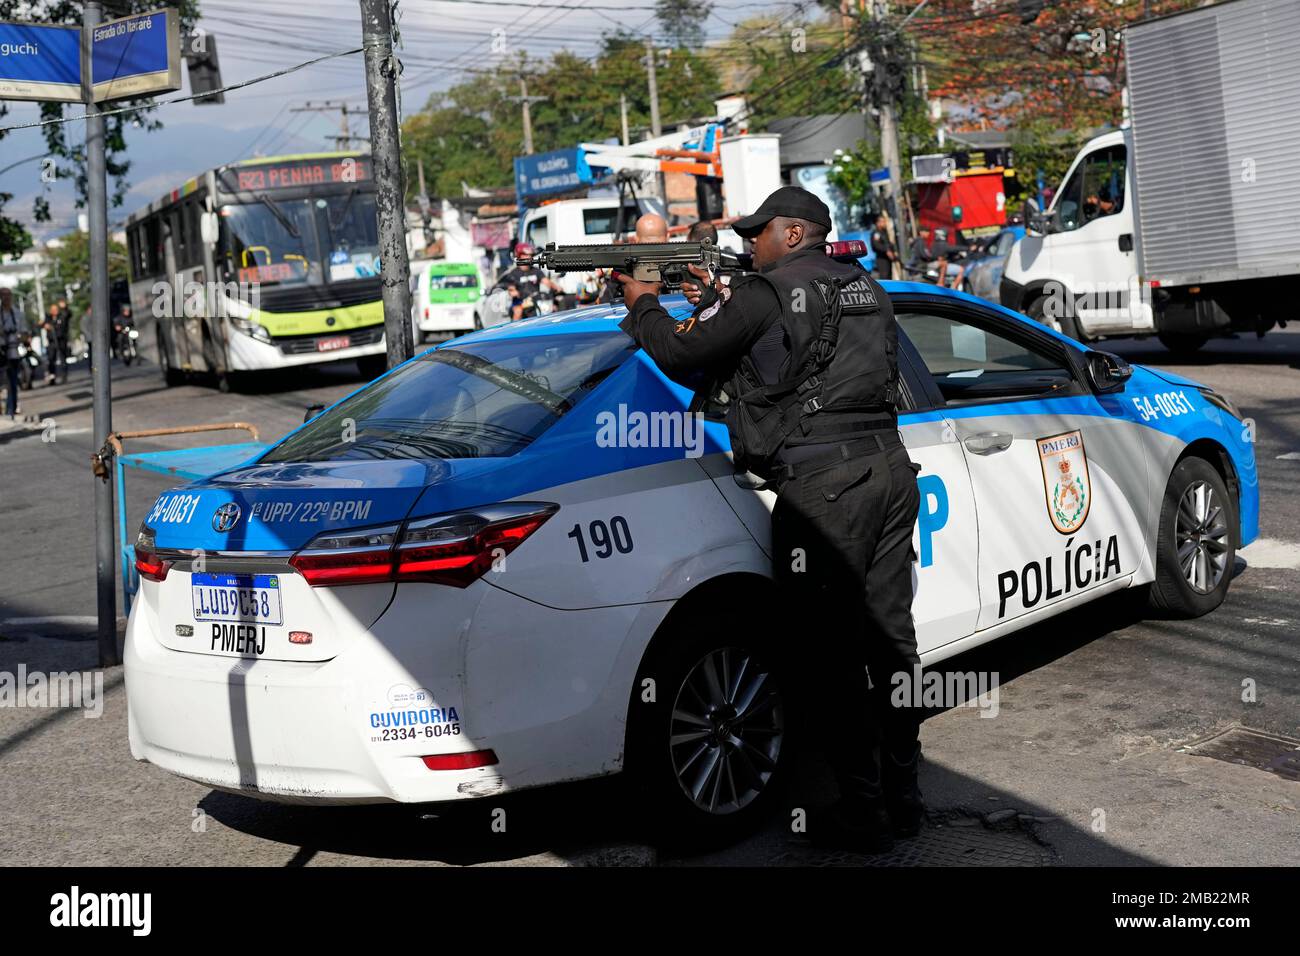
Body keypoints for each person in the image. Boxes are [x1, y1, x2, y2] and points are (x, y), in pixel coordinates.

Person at [615, 185, 923, 853]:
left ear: (792, 234)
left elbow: (679, 354)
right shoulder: (864, 284)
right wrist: (717, 305)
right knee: (892, 643)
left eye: (758, 233)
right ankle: (905, 796)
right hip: (890, 474)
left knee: (832, 655)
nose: (748, 243)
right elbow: (789, 357)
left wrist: (642, 305)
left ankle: (862, 812)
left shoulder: (768, 292)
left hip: (826, 490)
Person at [597, 212, 671, 304]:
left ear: (635, 239)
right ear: (668, 237)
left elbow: (605, 307)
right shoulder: (679, 266)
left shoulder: (623, 272)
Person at [496, 242, 563, 321]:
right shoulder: (513, 273)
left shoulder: (536, 271)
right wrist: (514, 292)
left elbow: (546, 281)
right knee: (518, 312)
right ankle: (516, 332)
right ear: (519, 256)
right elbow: (511, 288)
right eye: (525, 255)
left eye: (530, 255)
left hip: (537, 300)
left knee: (554, 308)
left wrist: (557, 288)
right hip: (521, 302)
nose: (528, 257)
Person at [1, 288, 25, 420]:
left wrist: (19, 337)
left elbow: (25, 331)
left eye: (7, 295)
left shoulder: (17, 314)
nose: (5, 298)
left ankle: (11, 409)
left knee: (12, 381)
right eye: (2, 296)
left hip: (13, 351)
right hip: (1, 352)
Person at [44, 300, 70, 384]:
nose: (55, 311)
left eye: (56, 309)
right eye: (53, 309)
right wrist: (44, 325)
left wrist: (65, 307)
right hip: (52, 341)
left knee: (63, 358)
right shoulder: (48, 318)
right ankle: (52, 377)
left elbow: (68, 314)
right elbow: (42, 324)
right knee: (51, 359)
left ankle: (64, 377)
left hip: (61, 340)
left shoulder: (62, 316)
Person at [869, 213, 897, 280]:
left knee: (889, 278)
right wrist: (887, 250)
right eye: (883, 222)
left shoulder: (884, 232)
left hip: (887, 258)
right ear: (878, 223)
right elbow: (876, 245)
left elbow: (888, 244)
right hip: (882, 259)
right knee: (885, 277)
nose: (884, 223)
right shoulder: (876, 233)